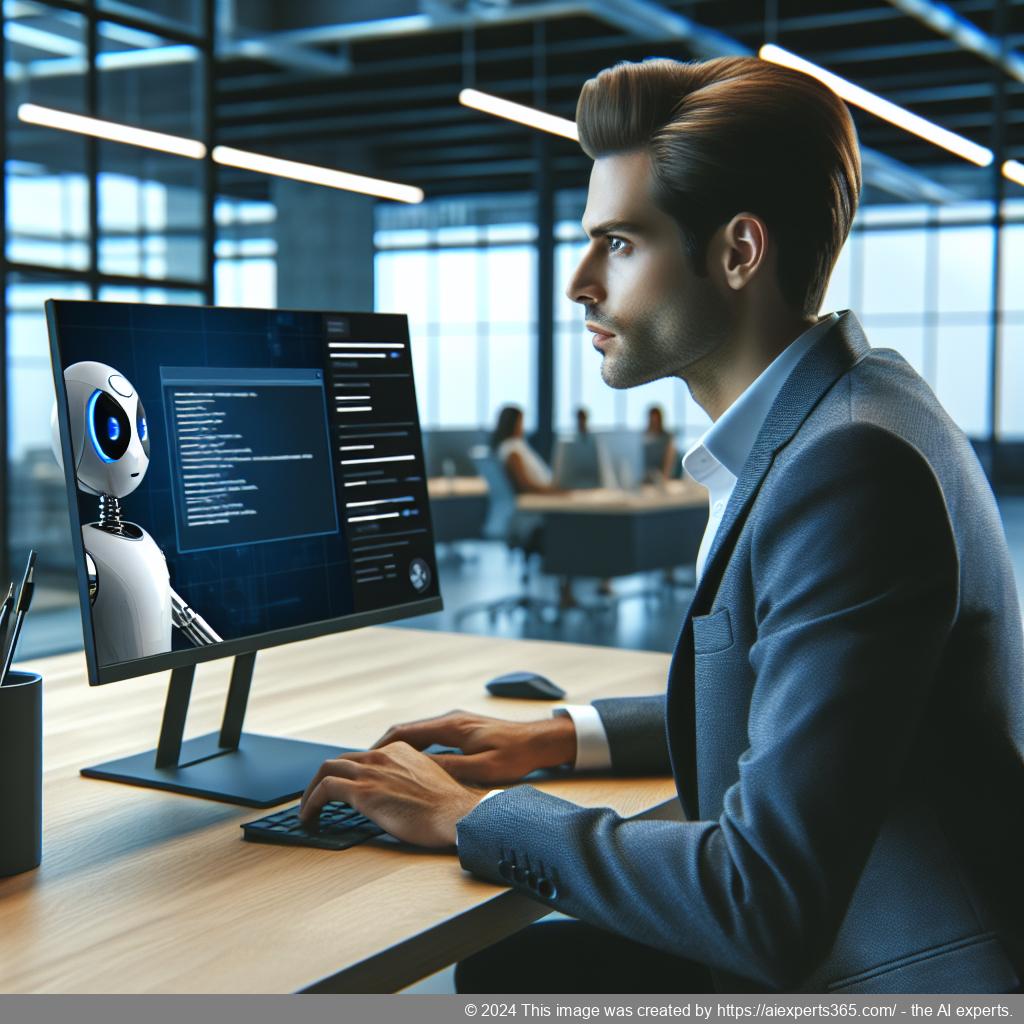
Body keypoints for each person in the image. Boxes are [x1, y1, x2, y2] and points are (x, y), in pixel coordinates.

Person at [298, 56, 1024, 993]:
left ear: (737, 253)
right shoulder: (855, 406)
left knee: (503, 975)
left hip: (900, 975)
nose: (581, 283)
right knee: (512, 964)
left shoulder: (849, 468)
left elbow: (758, 899)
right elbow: (806, 701)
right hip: (865, 932)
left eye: (621, 243)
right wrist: (561, 736)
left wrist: (468, 817)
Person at [642, 404, 677, 482]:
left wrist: (665, 477)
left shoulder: (667, 437)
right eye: (652, 419)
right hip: (644, 474)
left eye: (656, 420)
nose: (654, 422)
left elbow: (670, 456)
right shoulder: (642, 436)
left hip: (661, 476)